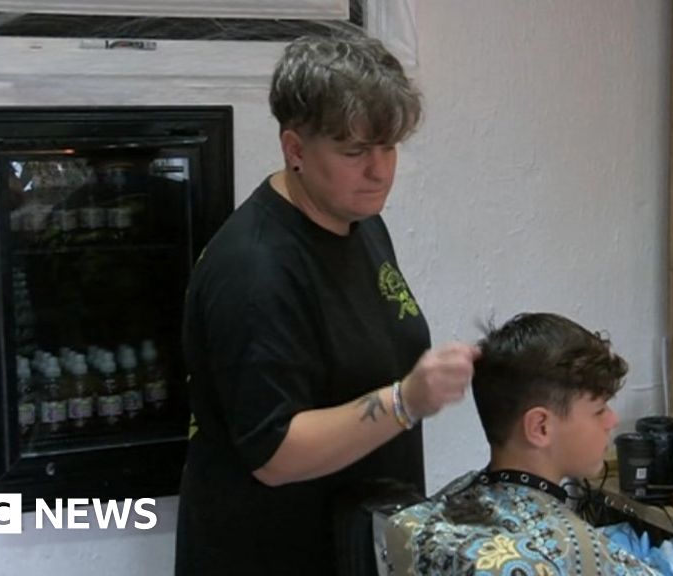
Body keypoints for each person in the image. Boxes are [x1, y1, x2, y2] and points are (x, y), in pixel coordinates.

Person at [175, 33, 479, 575]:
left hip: (359, 543)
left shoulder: (359, 222)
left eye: (389, 147)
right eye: (354, 151)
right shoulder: (254, 271)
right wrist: (406, 400)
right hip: (273, 556)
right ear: (295, 149)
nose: (379, 170)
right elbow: (274, 454)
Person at [385, 313, 661, 575]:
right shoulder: (567, 558)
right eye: (600, 409)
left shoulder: (421, 519)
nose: (613, 420)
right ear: (540, 427)